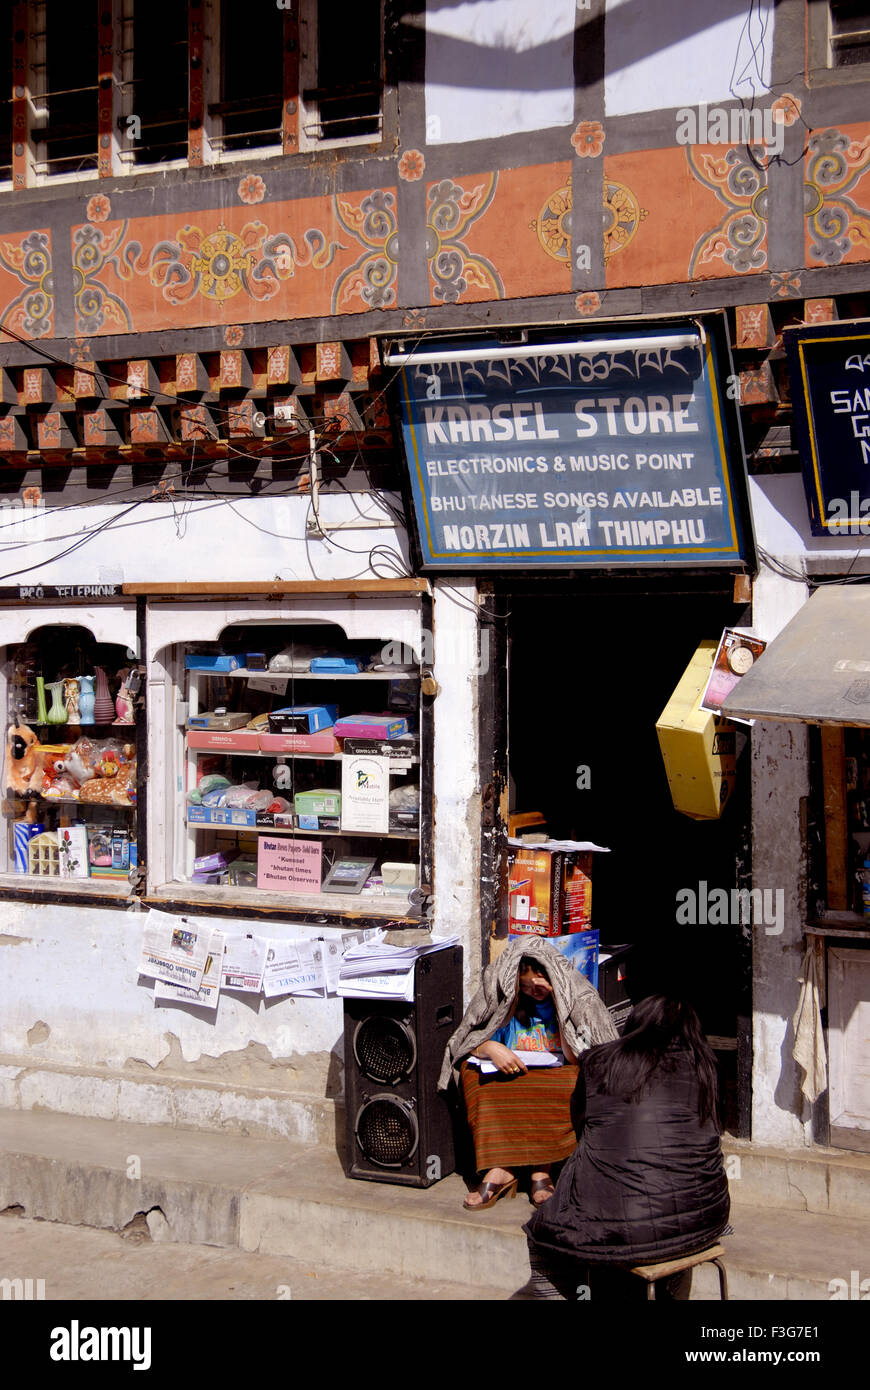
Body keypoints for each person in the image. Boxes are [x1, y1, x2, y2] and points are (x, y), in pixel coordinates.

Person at [522, 992, 731, 1299]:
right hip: (707, 1220)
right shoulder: (707, 1069)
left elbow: (583, 1127)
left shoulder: (598, 1061)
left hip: (627, 1230)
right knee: (671, 1208)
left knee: (540, 1232)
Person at [438, 935, 618, 1211]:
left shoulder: (573, 998)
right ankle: (500, 1168)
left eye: (539, 984)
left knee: (570, 1082)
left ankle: (541, 1169)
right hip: (512, 1072)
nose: (534, 992)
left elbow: (581, 1057)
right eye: (524, 986)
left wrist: (560, 1002)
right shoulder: (506, 1003)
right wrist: (490, 1048)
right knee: (474, 1076)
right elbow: (467, 1042)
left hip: (556, 1072)